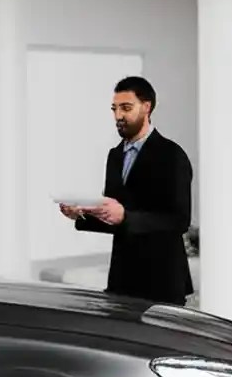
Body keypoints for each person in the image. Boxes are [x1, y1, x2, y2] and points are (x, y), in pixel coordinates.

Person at [60, 76, 194, 305]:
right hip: (122, 279)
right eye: (114, 109)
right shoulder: (114, 156)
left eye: (126, 108)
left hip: (162, 282)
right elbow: (114, 218)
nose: (118, 116)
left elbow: (179, 221)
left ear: (147, 107)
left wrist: (125, 216)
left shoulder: (172, 155)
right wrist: (82, 213)